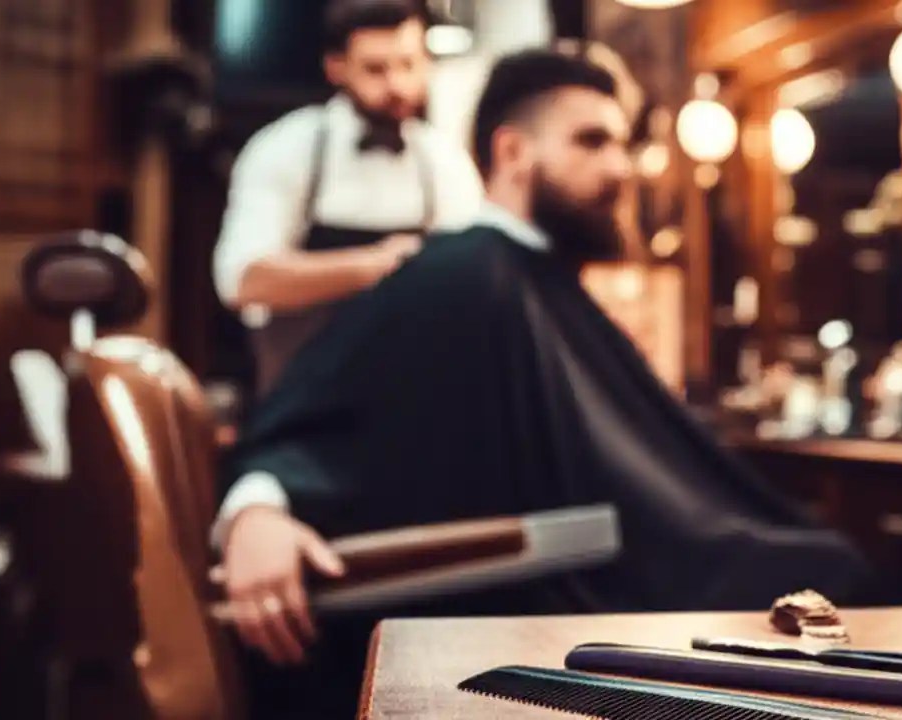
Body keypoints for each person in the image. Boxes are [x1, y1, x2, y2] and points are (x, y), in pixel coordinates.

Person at [218, 48, 867, 716]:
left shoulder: (541, 282)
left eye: (622, 145)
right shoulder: (464, 274)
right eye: (591, 141)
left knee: (827, 560)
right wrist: (257, 512)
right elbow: (316, 417)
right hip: (567, 601)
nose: (619, 168)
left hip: (615, 566)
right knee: (833, 571)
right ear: (513, 151)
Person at [212, 0, 481, 397]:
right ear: (336, 67)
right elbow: (242, 282)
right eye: (376, 69)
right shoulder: (287, 148)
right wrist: (376, 265)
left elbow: (475, 282)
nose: (397, 85)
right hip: (299, 406)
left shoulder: (443, 161)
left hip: (409, 401)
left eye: (409, 64)